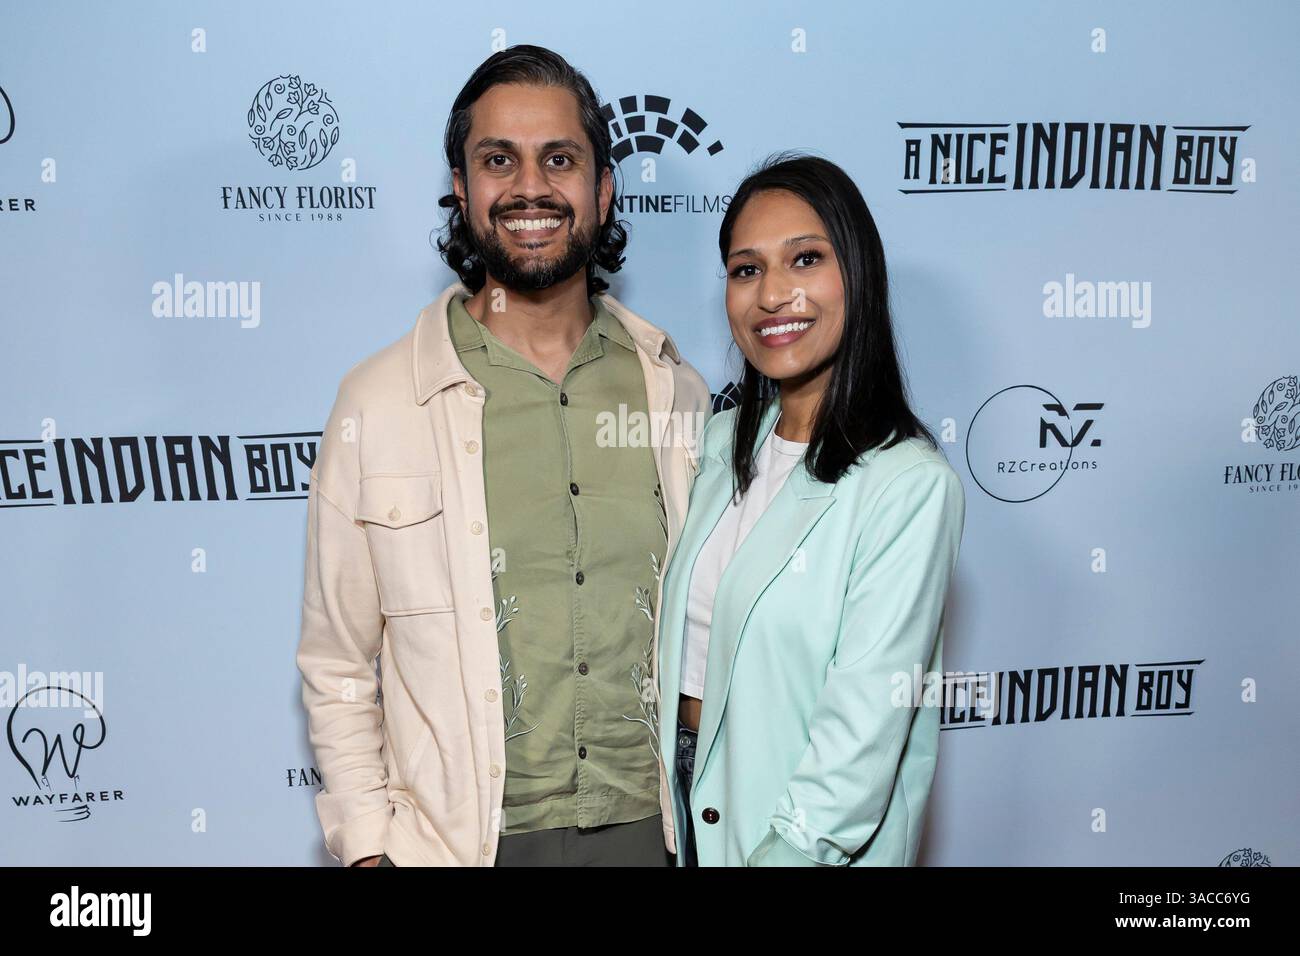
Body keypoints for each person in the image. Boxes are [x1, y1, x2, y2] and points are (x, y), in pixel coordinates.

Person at [296, 45, 710, 867]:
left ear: (602, 188)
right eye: (498, 160)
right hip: (458, 847)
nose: (530, 188)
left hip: (652, 836)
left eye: (560, 159)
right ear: (462, 187)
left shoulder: (676, 392)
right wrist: (368, 850)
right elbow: (338, 659)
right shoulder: (379, 403)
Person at [657, 153, 966, 866]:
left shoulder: (907, 486)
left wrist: (787, 852)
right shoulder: (718, 445)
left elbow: (861, 736)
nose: (772, 294)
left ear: (857, 275)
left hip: (795, 838)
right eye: (746, 269)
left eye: (805, 259)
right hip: (681, 816)